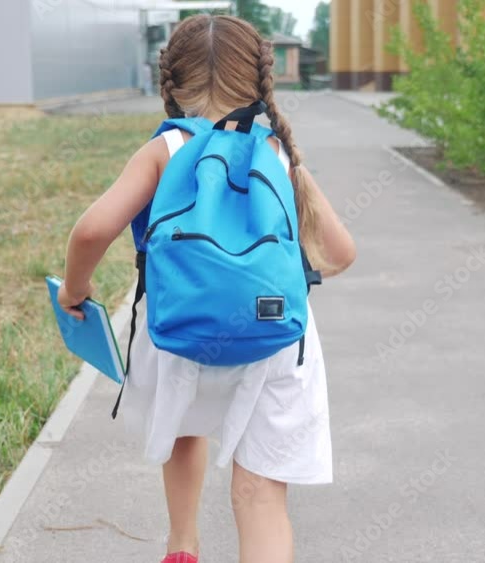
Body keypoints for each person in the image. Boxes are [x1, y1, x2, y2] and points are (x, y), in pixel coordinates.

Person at [56, 14, 356, 563]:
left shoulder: (166, 148)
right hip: (275, 341)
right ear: (260, 81)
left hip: (178, 336)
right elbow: (341, 253)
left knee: (185, 427)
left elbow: (93, 229)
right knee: (260, 496)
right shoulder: (278, 152)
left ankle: (183, 545)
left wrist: (74, 291)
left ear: (168, 83)